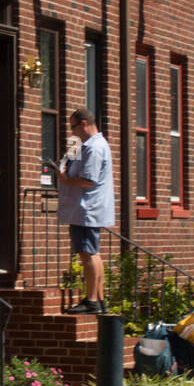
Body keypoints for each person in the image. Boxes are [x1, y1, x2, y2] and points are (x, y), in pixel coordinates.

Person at [55, 108, 114, 314]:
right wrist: (67, 157)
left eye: (73, 127)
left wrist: (64, 179)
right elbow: (69, 160)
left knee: (87, 254)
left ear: (83, 124)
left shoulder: (95, 147)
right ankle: (98, 299)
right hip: (83, 209)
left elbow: (89, 180)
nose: (71, 132)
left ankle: (91, 300)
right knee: (92, 253)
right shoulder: (85, 145)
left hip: (87, 209)